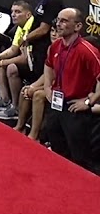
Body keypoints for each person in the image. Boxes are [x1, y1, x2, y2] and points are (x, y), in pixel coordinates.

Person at [39, 9, 100, 172]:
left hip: (75, 109)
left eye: (64, 21)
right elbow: (48, 65)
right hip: (56, 105)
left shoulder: (87, 51)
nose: (58, 24)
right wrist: (47, 87)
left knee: (79, 157)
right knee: (57, 148)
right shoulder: (55, 46)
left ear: (78, 26)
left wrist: (89, 102)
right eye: (58, 20)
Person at [0, 1, 40, 119]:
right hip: (28, 61)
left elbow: (25, 58)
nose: (13, 15)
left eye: (18, 12)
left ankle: (16, 108)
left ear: (28, 15)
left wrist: (1, 62)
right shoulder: (20, 27)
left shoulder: (32, 28)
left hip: (37, 65)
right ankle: (4, 100)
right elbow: (14, 49)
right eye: (12, 11)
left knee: (11, 68)